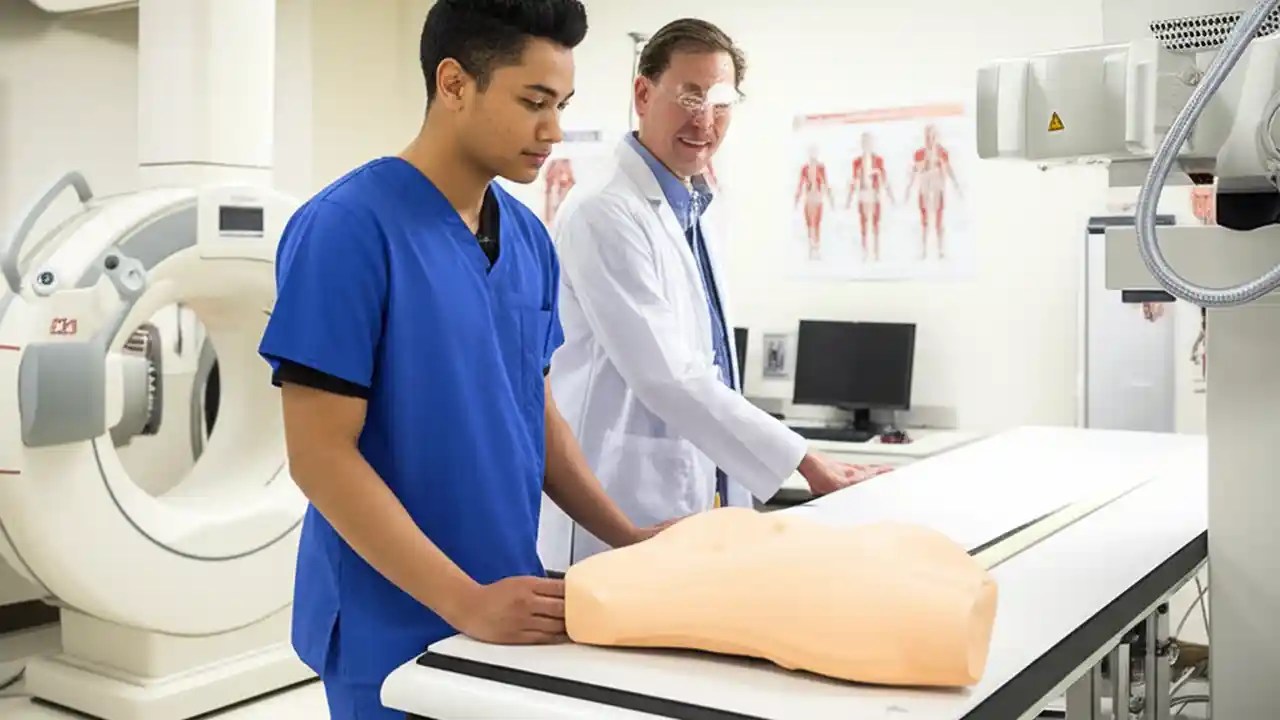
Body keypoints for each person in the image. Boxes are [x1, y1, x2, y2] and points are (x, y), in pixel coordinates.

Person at [256, 3, 669, 717]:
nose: (554, 129)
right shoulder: (348, 229)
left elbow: (532, 412)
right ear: (454, 84)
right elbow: (319, 456)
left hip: (507, 600)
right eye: (533, 102)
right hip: (390, 619)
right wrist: (465, 602)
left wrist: (624, 535)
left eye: (562, 104)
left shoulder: (530, 241)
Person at [538, 18, 888, 570]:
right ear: (642, 93)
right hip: (619, 498)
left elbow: (710, 365)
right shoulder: (604, 210)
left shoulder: (697, 206)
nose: (705, 119)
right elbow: (666, 374)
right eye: (689, 95)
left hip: (691, 493)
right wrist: (804, 458)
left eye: (721, 101)